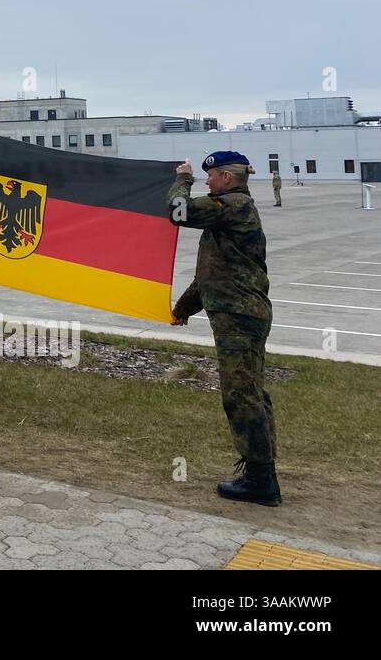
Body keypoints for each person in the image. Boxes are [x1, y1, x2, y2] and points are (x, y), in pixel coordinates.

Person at [168, 151, 279, 506]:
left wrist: (181, 178)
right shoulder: (230, 212)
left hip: (240, 317)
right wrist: (185, 308)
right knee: (250, 393)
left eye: (210, 176)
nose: (207, 182)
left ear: (227, 178)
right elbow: (213, 273)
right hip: (240, 314)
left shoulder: (231, 205)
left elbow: (177, 211)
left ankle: (262, 481)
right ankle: (260, 472)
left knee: (241, 395)